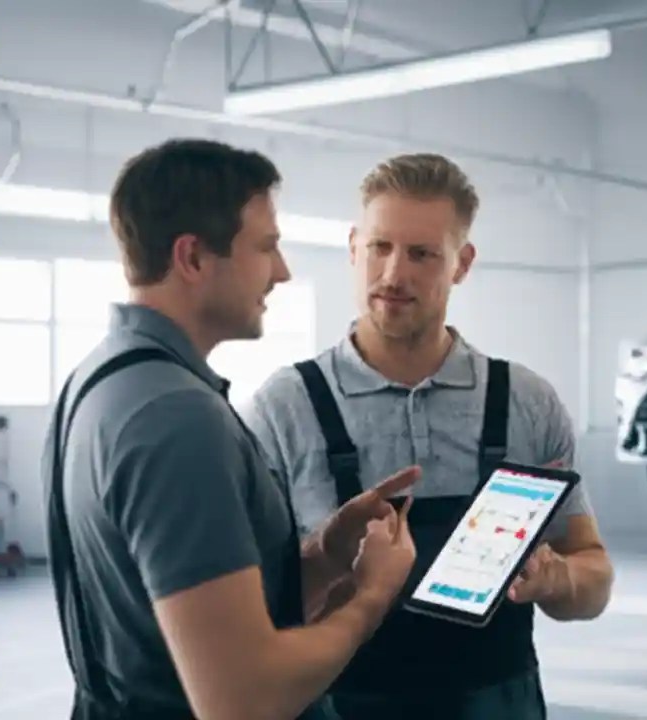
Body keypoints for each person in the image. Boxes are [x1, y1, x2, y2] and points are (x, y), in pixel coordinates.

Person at [42, 138, 422, 720]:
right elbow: (244, 698)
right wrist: (370, 597)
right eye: (266, 247)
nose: (282, 272)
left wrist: (324, 555)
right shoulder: (175, 417)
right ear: (193, 258)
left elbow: (175, 609)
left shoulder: (99, 381)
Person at [243, 152, 615, 719]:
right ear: (352, 247)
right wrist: (327, 562)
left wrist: (555, 578)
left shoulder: (526, 403)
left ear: (461, 263)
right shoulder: (283, 407)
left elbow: (593, 577)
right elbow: (248, 606)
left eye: (422, 254)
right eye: (380, 248)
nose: (394, 274)